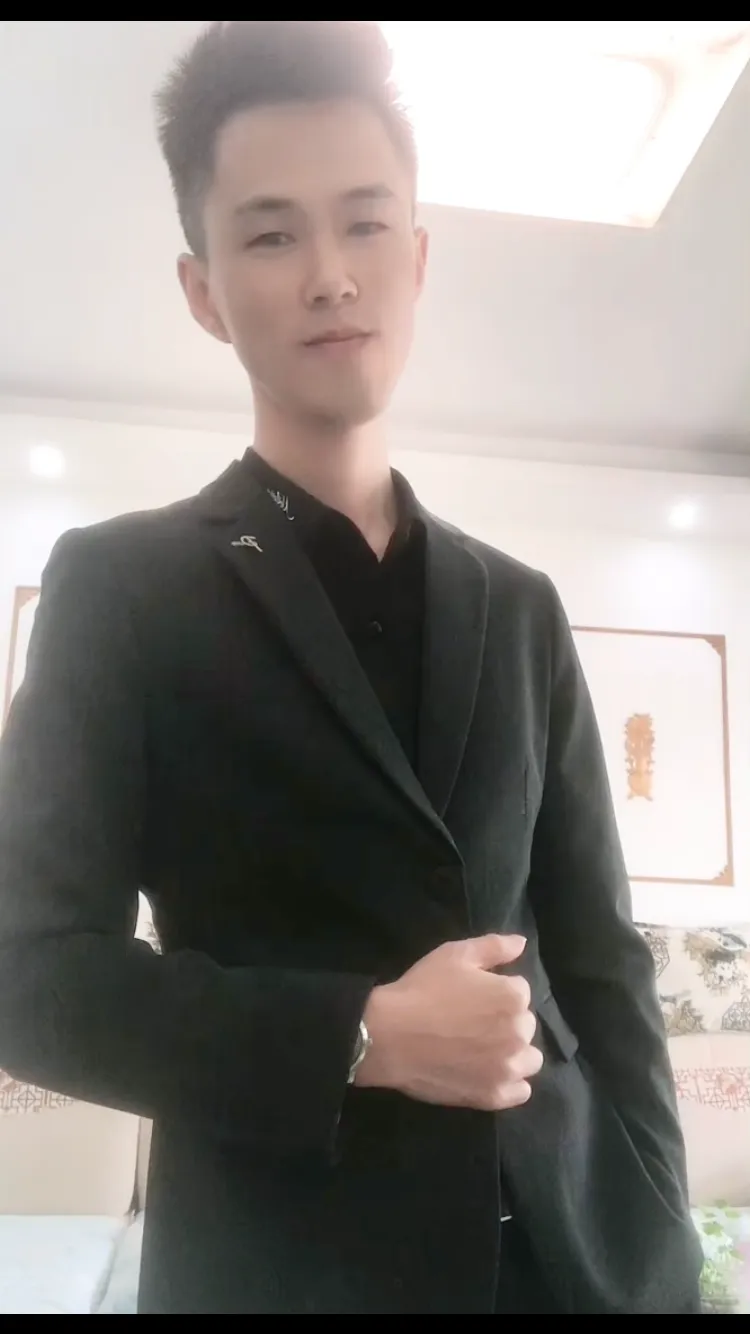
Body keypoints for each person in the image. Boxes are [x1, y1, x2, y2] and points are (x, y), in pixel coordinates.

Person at [0, 21, 702, 1315]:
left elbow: (603, 966)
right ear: (203, 290)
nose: (330, 275)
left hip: (569, 1263)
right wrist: (361, 1035)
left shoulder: (519, 604)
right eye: (271, 235)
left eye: (365, 223)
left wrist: (657, 1235)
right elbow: (28, 975)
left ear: (416, 257)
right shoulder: (122, 587)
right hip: (284, 1268)